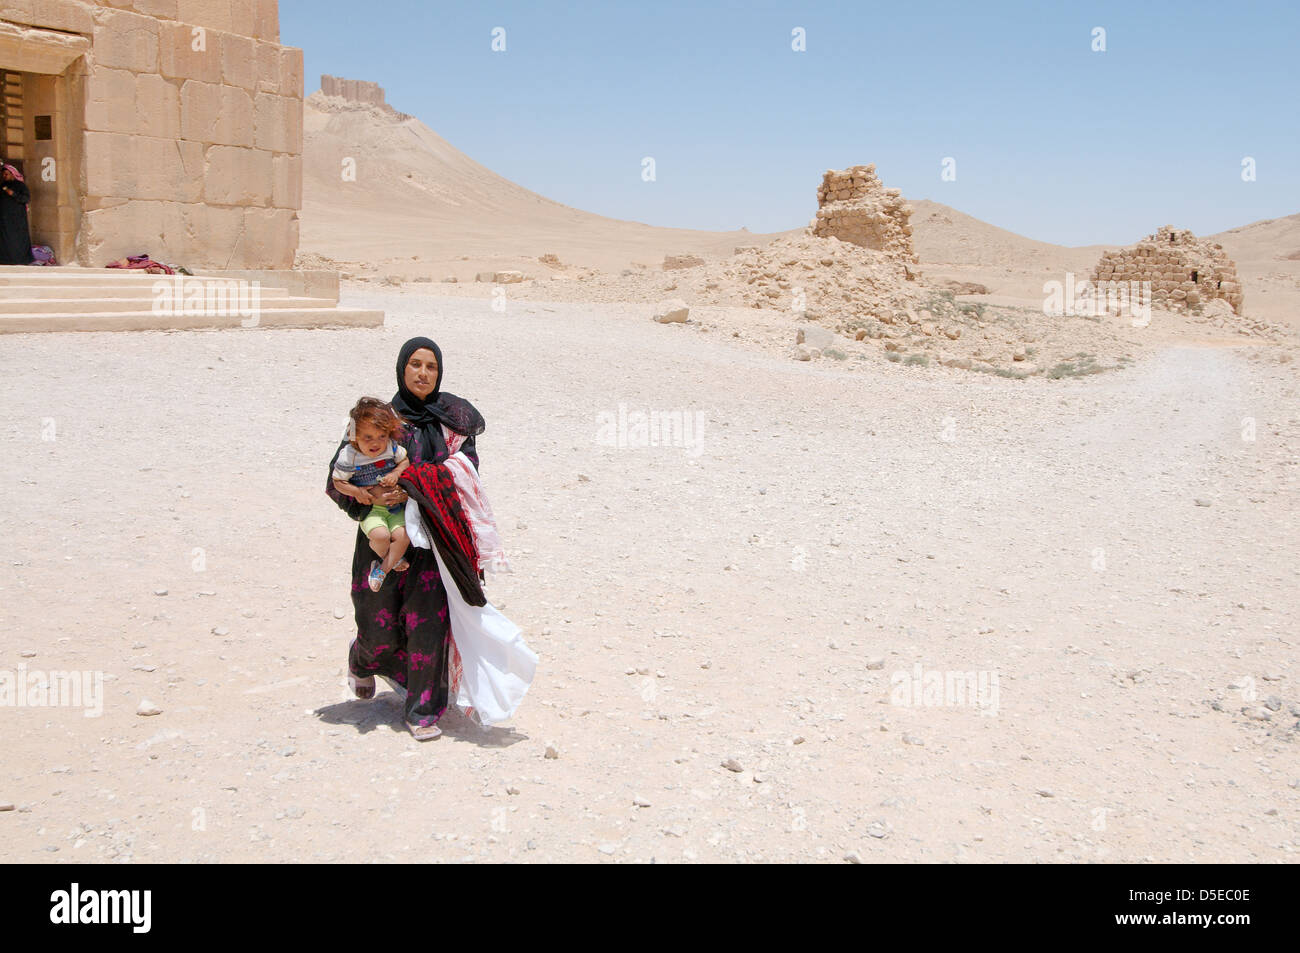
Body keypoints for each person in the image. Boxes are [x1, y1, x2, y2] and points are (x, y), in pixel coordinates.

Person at [326, 337, 485, 741]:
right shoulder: (379, 419)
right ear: (402, 368)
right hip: (382, 536)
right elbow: (336, 476)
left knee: (428, 623)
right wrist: (372, 497)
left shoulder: (452, 422)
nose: (423, 373)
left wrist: (417, 483)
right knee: (377, 623)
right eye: (415, 364)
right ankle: (362, 659)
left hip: (433, 540)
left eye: (431, 366)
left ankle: (423, 711)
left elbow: (468, 469)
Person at [330, 397, 411, 592]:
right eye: (368, 437)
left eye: (381, 436)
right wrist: (357, 492)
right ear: (355, 436)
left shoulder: (391, 447)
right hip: (372, 509)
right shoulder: (350, 455)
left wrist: (395, 473)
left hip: (394, 507)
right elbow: (337, 481)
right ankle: (389, 561)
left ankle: (382, 569)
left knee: (403, 535)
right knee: (380, 535)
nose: (376, 443)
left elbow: (405, 461)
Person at [0, 163, 33, 266]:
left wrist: (13, 194)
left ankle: (20, 260)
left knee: (17, 241)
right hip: (4, 220)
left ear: (12, 174)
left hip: (17, 220)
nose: (5, 176)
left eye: (7, 174)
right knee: (5, 241)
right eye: (3, 174)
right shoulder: (2, 186)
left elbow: (25, 199)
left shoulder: (20, 186)